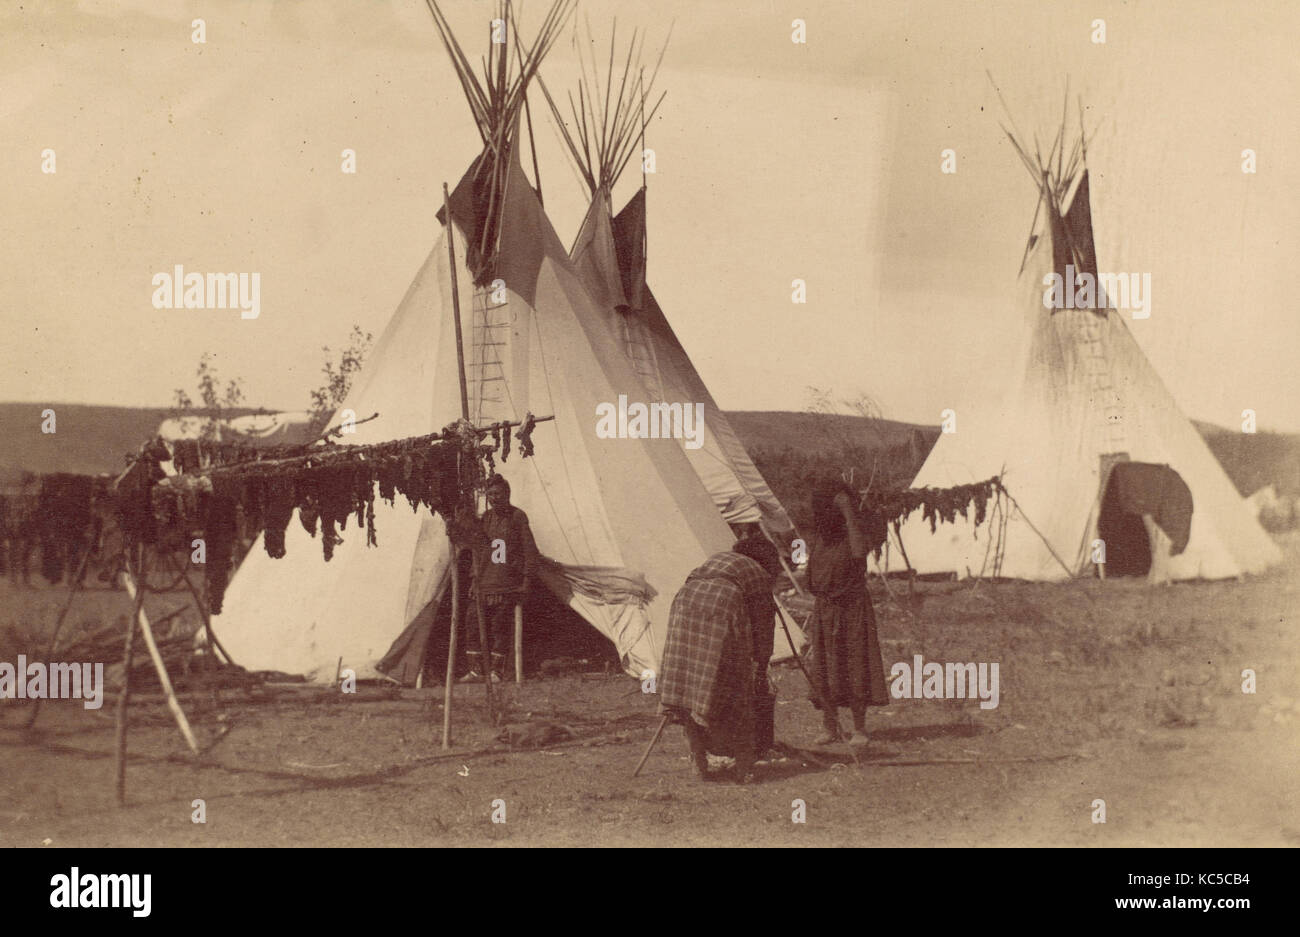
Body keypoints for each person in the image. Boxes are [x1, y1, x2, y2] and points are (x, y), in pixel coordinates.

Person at [658, 537, 783, 782]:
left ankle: (698, 762)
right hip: (720, 611)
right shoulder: (758, 574)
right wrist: (759, 670)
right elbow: (764, 630)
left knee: (690, 688)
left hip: (684, 608)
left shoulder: (721, 561)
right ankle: (744, 766)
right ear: (767, 561)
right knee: (736, 689)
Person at [804, 482, 889, 745]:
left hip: (852, 608)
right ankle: (830, 726)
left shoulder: (856, 533)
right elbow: (812, 575)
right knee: (826, 668)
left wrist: (848, 510)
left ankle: (859, 728)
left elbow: (858, 552)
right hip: (826, 610)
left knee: (855, 664)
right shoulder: (822, 538)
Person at [463, 475, 538, 683]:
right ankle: (476, 670)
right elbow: (480, 552)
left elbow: (529, 550)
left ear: (507, 494)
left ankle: (497, 671)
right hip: (484, 581)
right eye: (490, 495)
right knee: (472, 622)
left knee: (499, 626)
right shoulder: (486, 518)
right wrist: (474, 580)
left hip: (507, 582)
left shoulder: (517, 517)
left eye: (497, 494)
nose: (494, 498)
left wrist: (526, 581)